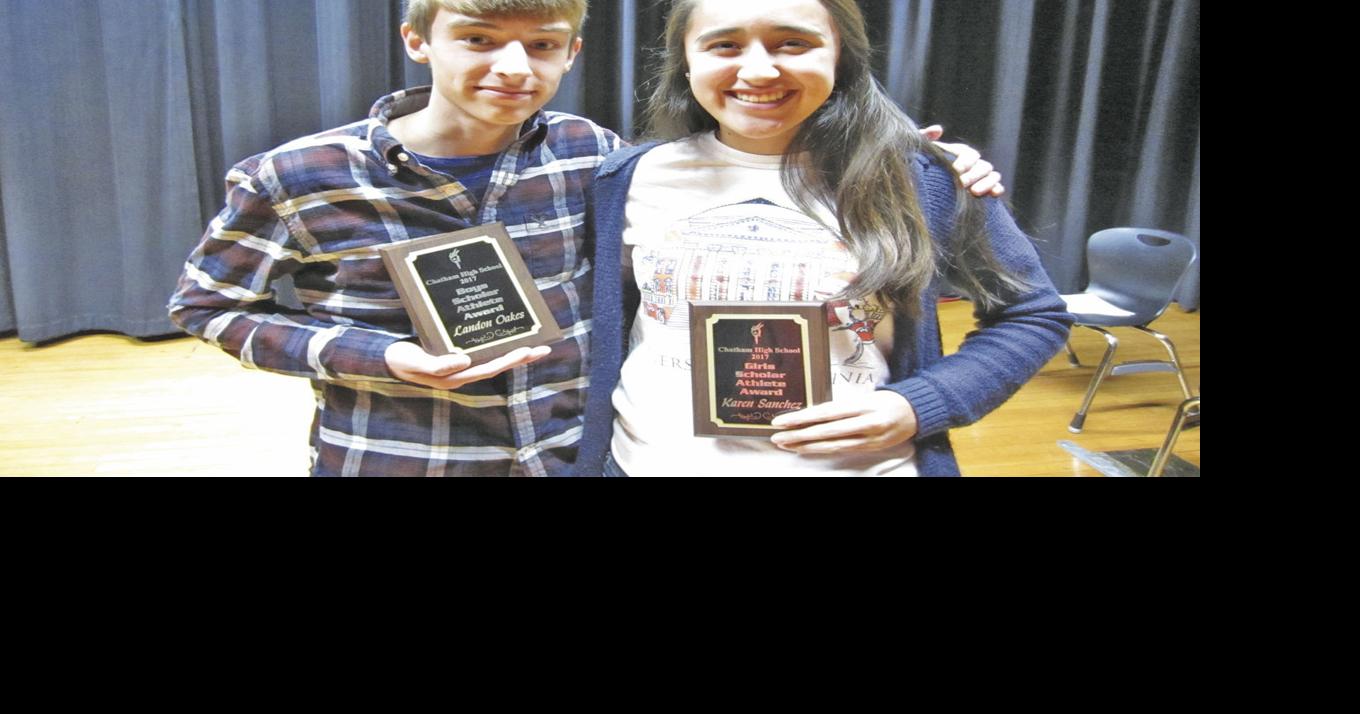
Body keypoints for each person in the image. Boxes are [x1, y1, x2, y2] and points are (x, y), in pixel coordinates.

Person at [169, 0, 1005, 477]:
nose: (511, 66)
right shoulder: (296, 174)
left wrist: (935, 162)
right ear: (419, 39)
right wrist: (375, 357)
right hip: (400, 458)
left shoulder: (596, 157)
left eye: (540, 45)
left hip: (571, 455)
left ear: (571, 53)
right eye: (479, 39)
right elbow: (204, 305)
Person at [574, 0, 1073, 476]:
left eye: (792, 43)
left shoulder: (923, 180)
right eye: (724, 46)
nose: (759, 71)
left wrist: (919, 405)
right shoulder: (627, 178)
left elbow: (1032, 314)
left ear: (841, 56)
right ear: (686, 62)